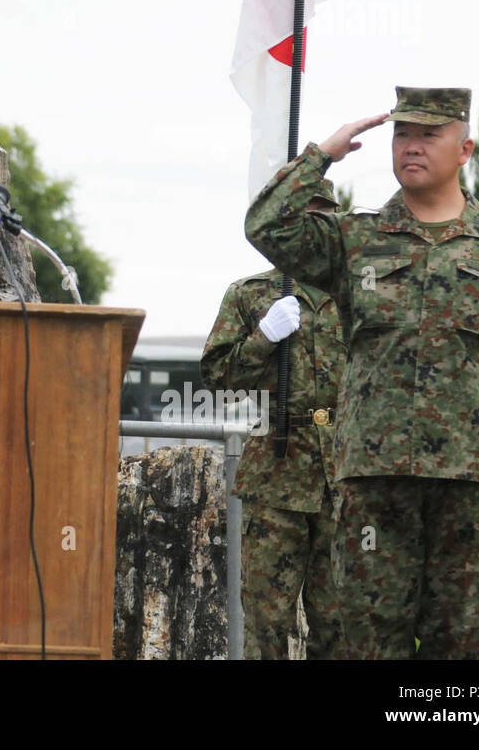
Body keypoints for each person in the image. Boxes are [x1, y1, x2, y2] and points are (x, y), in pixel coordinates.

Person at [244, 87, 479, 659]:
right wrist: (323, 154)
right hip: (373, 476)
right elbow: (266, 226)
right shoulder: (355, 237)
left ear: (464, 149)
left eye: (427, 135)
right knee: (368, 641)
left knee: (457, 641)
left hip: (467, 478)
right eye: (401, 134)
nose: (410, 147)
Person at [202, 182, 347, 659]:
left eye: (321, 220)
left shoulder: (357, 296)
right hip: (277, 472)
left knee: (342, 621)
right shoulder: (251, 294)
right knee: (267, 619)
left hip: (346, 477)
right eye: (301, 222)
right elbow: (218, 376)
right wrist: (264, 336)